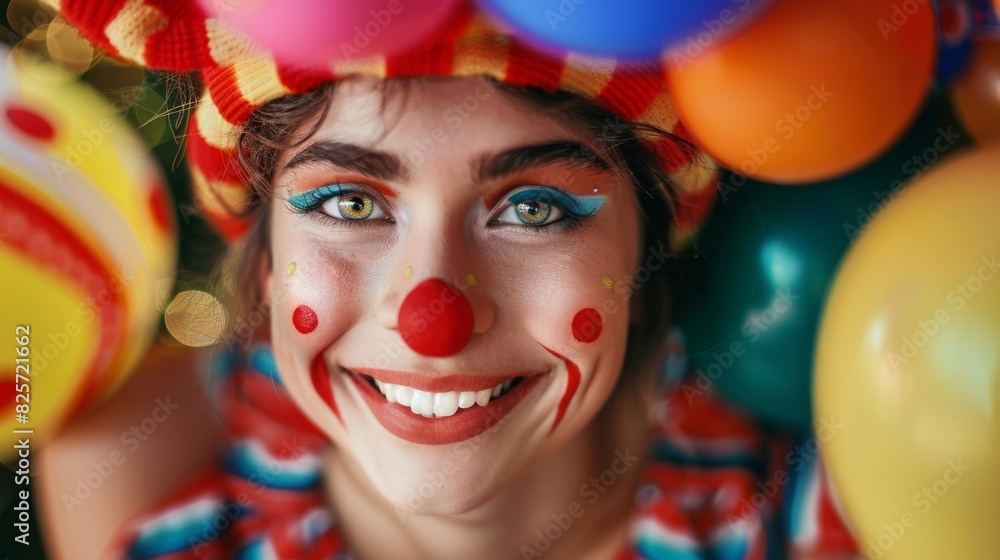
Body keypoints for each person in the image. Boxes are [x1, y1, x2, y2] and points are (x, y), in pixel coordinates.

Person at [44, 1, 860, 558]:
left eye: (535, 209)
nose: (433, 316)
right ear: (262, 266)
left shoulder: (823, 514)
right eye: (351, 201)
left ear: (642, 265)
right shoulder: (131, 492)